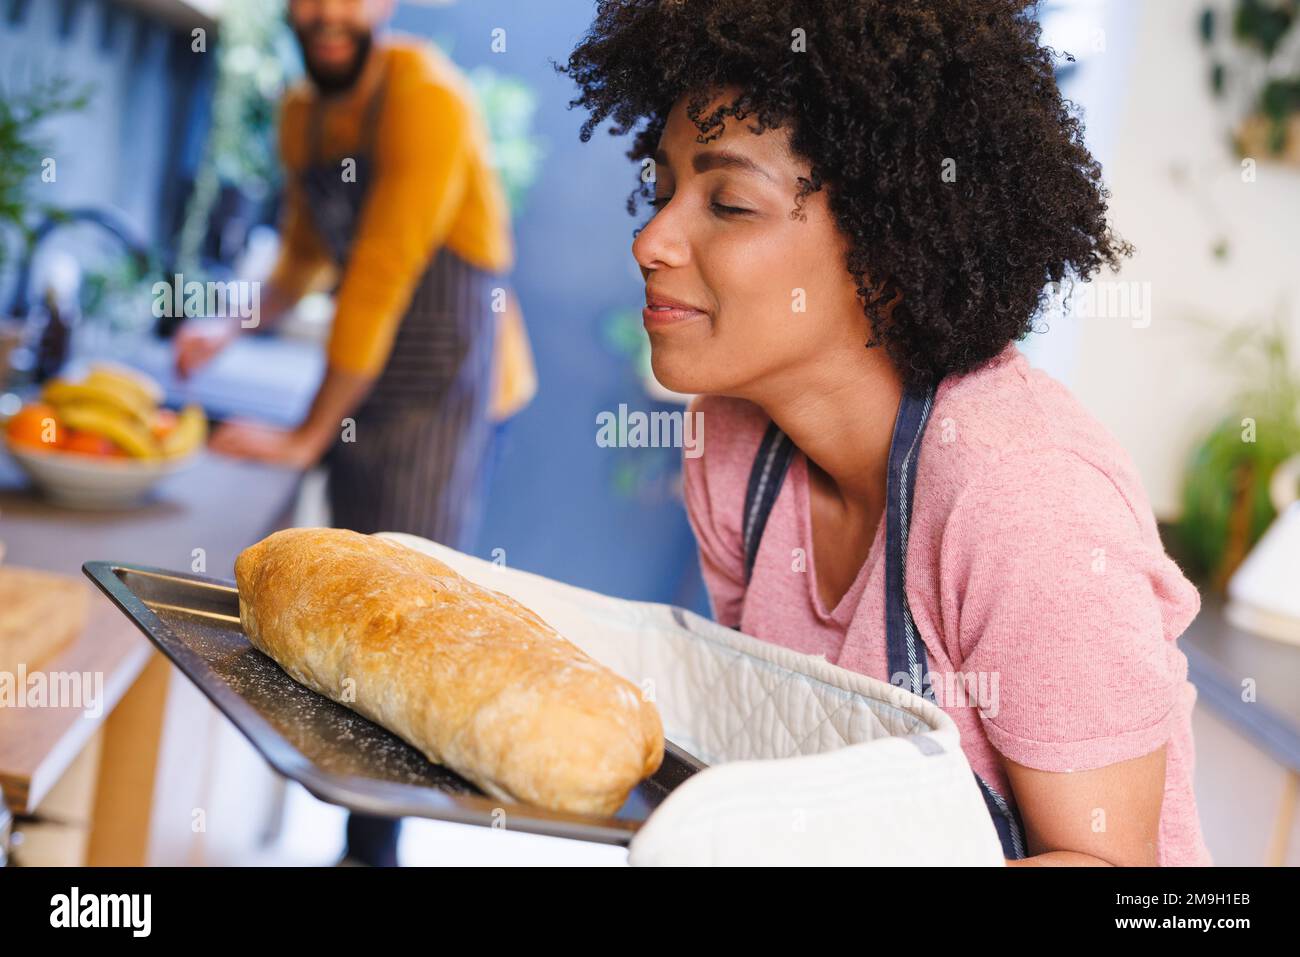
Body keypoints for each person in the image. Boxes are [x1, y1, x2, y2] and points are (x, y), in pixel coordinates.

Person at [563, 0, 1210, 865]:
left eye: (727, 202)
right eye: (664, 188)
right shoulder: (728, 448)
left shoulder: (1026, 504)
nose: (650, 239)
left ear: (886, 250)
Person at [176, 0, 529, 865]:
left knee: (406, 628)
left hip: (448, 393)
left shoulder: (428, 98)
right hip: (364, 388)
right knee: (344, 615)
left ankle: (373, 850)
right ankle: (351, 831)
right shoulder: (303, 116)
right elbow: (305, 256)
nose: (327, 13)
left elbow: (378, 274)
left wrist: (302, 438)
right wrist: (230, 321)